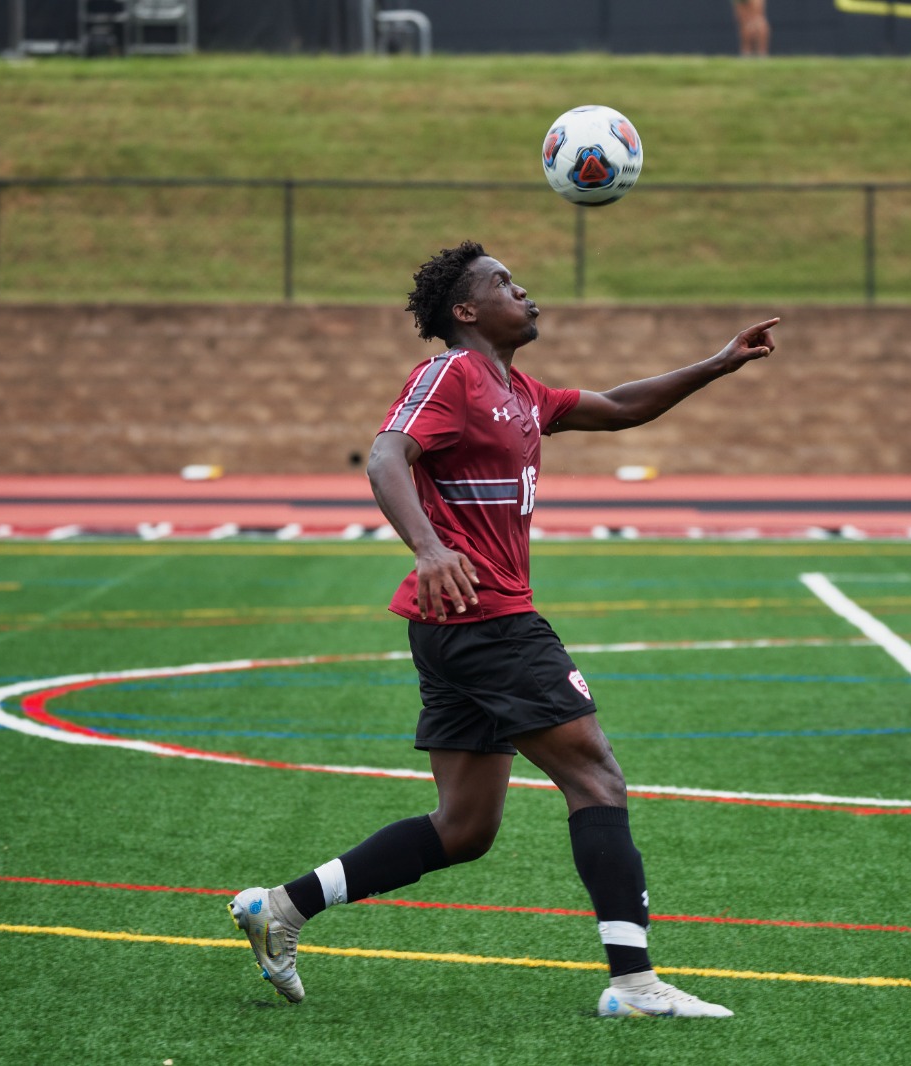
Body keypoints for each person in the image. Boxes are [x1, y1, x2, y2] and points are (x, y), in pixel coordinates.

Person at [229, 239, 778, 1019]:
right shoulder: (449, 375)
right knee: (596, 777)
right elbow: (387, 456)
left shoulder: (519, 391)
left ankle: (279, 910)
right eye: (505, 284)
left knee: (465, 827)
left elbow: (621, 407)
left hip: (457, 628)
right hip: (489, 621)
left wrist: (717, 363)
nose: (527, 294)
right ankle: (633, 984)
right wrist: (428, 547)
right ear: (465, 310)